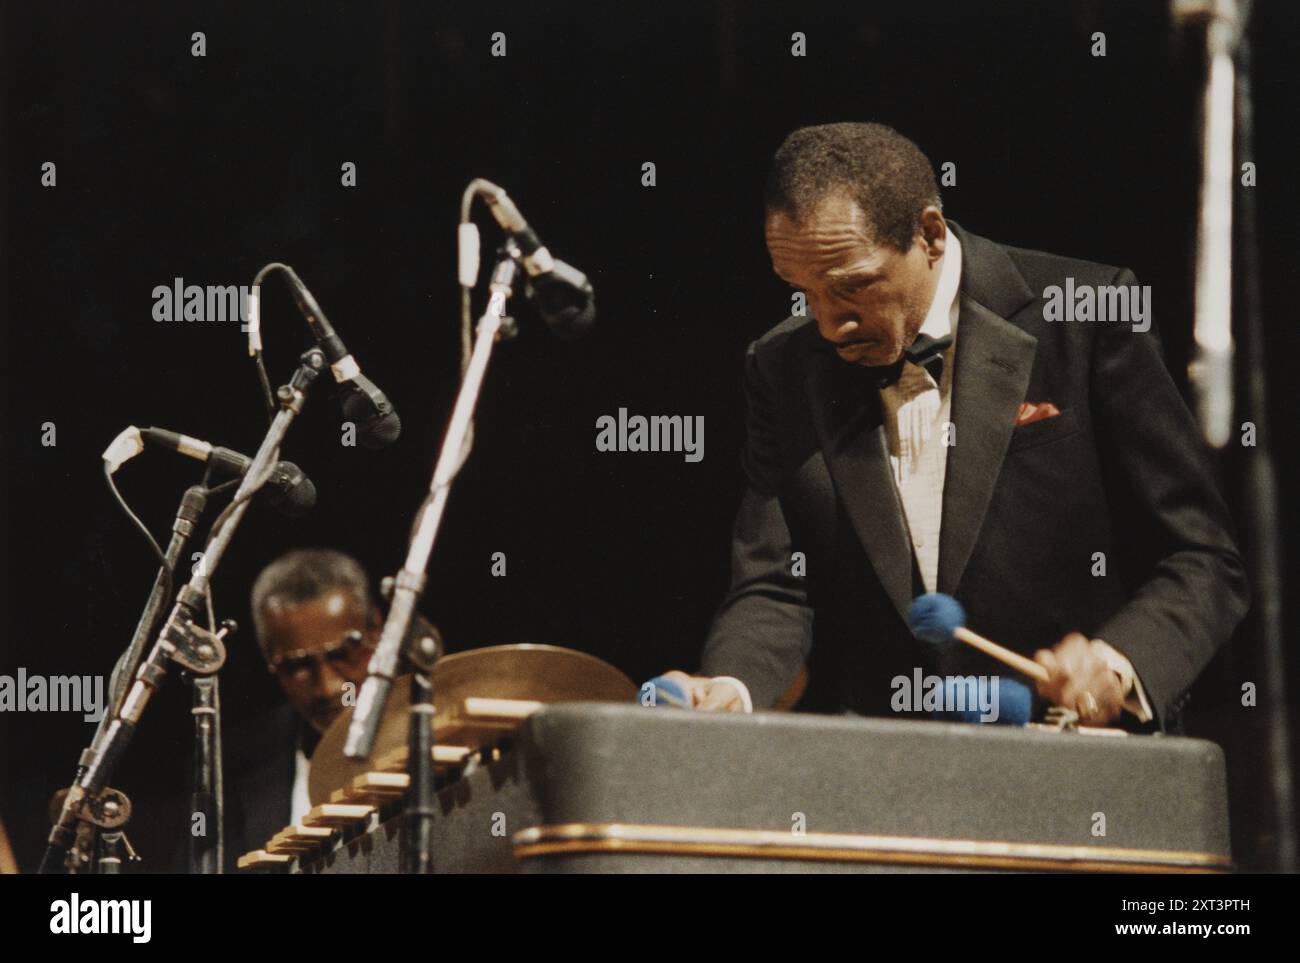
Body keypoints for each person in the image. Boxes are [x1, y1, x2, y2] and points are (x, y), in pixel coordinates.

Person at [662, 122, 1248, 731]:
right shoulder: (782, 366)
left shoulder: (1086, 315)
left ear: (930, 235)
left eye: (853, 287)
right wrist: (731, 687)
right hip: (890, 773)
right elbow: (777, 586)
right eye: (801, 292)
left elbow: (1202, 557)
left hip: (1082, 753)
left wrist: (1117, 664)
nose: (829, 323)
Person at [224, 548, 436, 867]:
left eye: (342, 655)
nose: (327, 687)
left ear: (378, 631)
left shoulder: (442, 733)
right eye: (298, 665)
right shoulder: (233, 763)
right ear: (269, 660)